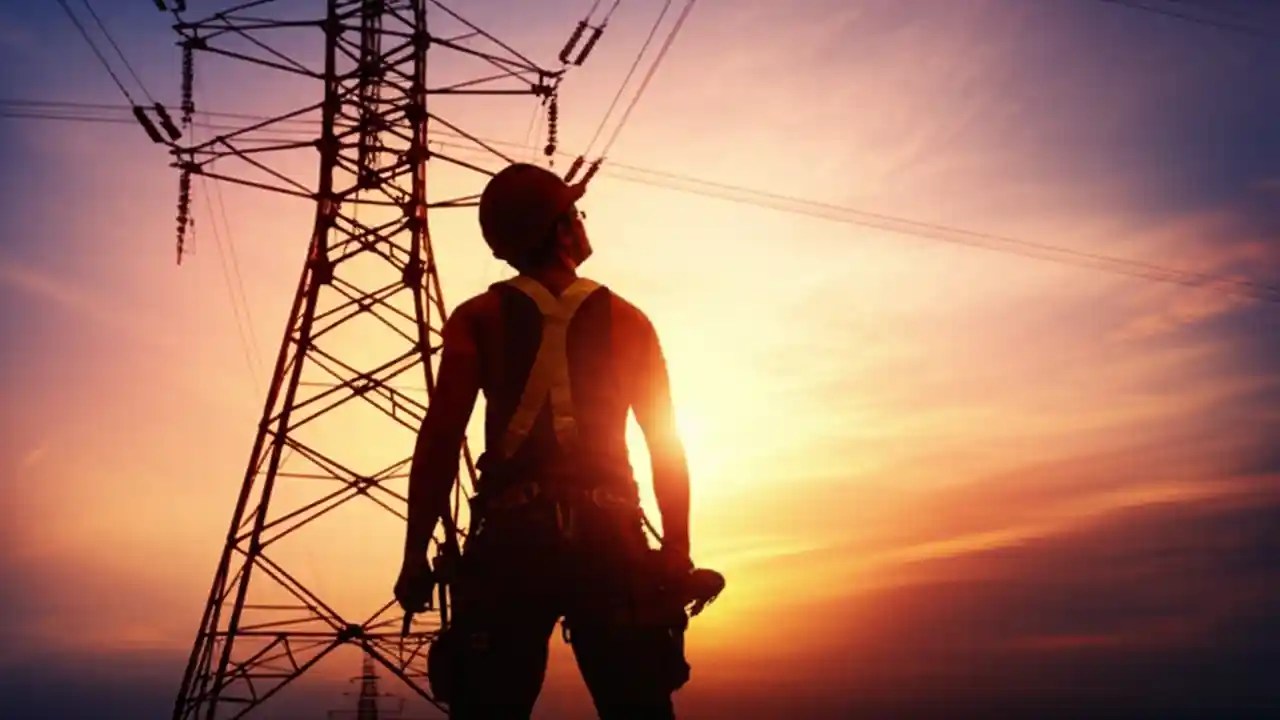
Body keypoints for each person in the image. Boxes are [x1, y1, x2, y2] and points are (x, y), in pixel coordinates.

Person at [394, 162, 697, 719]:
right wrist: (676, 548)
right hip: (612, 542)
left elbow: (440, 439)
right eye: (574, 214)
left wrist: (416, 554)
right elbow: (666, 446)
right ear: (558, 230)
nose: (582, 224)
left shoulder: (478, 317)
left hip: (511, 542)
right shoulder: (630, 321)